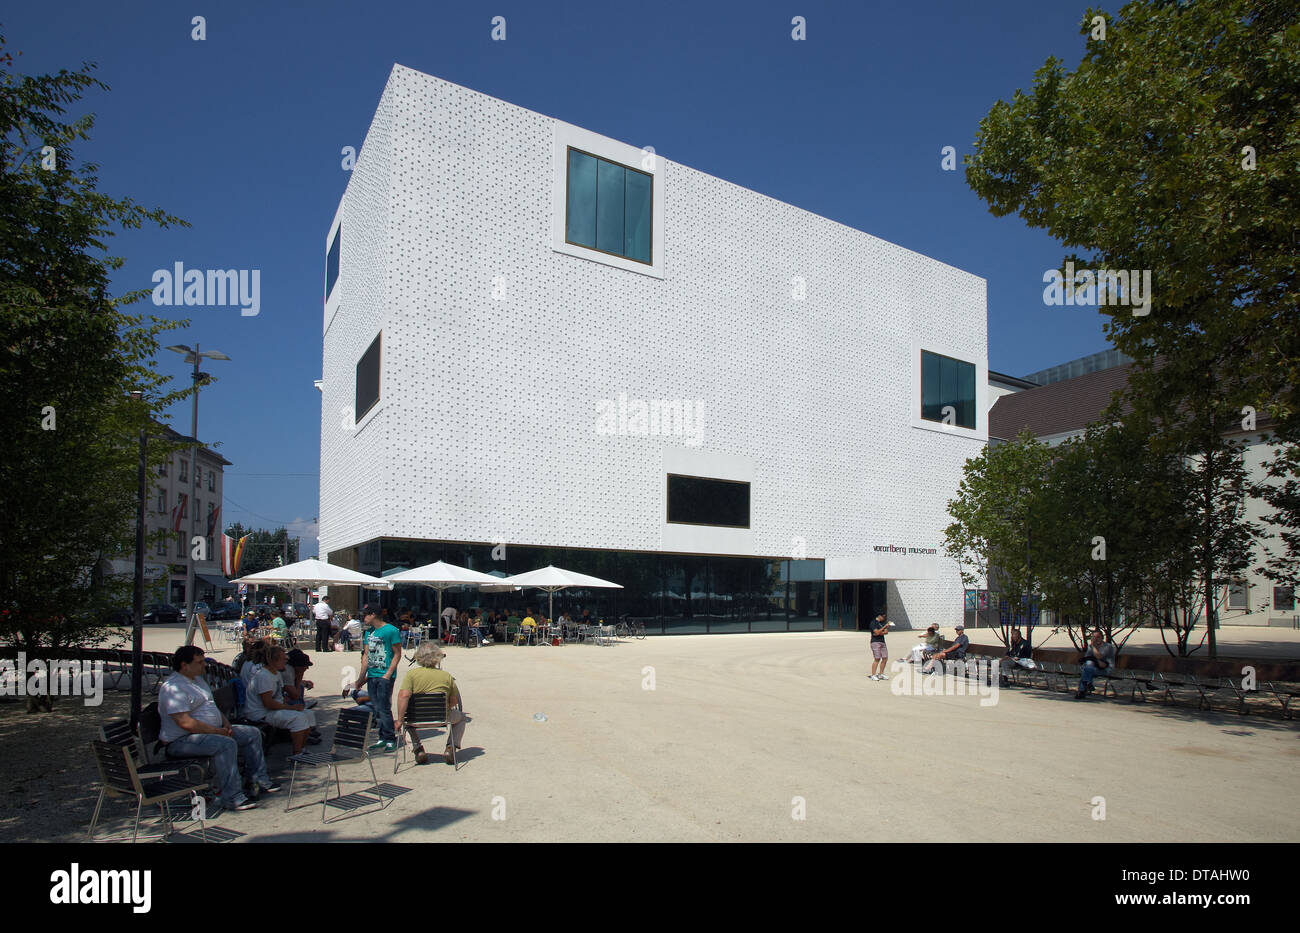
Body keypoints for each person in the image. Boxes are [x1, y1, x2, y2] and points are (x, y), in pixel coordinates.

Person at [158, 646, 276, 811]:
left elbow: (210, 706)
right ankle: (232, 797)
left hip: (210, 732)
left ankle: (258, 780)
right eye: (199, 663)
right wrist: (217, 732)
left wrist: (225, 723)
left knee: (251, 733)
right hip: (181, 741)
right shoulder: (173, 688)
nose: (204, 666)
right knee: (225, 744)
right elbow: (185, 723)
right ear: (184, 665)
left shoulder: (197, 680)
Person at [394, 643, 468, 765]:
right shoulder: (446, 676)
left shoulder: (411, 675)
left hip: (415, 718)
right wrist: (444, 708)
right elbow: (454, 701)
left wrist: (400, 719)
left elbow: (404, 695)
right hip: (441, 718)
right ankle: (451, 747)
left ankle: (418, 749)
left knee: (404, 722)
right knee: (461, 718)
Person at [244, 645, 318, 753]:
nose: (286, 661)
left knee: (308, 714)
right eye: (284, 659)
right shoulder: (264, 676)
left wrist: (290, 705)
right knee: (298, 718)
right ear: (274, 660)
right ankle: (297, 753)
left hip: (272, 710)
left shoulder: (276, 673)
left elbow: (280, 696)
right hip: (260, 714)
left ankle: (302, 748)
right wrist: (291, 708)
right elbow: (268, 703)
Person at [350, 606, 403, 750]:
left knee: (384, 707)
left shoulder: (391, 630)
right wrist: (361, 678)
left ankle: (390, 737)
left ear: (373, 615)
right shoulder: (368, 632)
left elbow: (397, 653)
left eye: (365, 615)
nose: (363, 618)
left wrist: (388, 673)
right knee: (377, 707)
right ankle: (382, 737)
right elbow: (366, 656)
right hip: (372, 674)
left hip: (385, 674)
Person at [1075, 631, 1116, 700]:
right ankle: (1088, 684)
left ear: (1102, 638)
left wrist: (1093, 646)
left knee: (1086, 670)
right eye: (1094, 637)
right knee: (1088, 665)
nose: (1096, 639)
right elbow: (1087, 657)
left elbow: (1099, 656)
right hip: (1094, 668)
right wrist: (1094, 659)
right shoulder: (1091, 647)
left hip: (1106, 669)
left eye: (1098, 637)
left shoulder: (1108, 646)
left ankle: (1082, 690)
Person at [868, 612, 891, 680]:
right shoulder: (873, 623)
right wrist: (883, 628)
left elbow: (886, 632)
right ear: (879, 616)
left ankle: (881, 674)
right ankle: (873, 675)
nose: (884, 618)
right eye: (883, 616)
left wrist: (880, 631)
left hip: (882, 642)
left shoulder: (883, 623)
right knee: (877, 658)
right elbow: (876, 632)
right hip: (875, 642)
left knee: (885, 658)